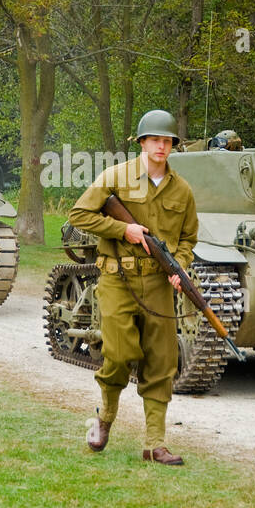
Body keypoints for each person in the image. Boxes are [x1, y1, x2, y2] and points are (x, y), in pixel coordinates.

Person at [68, 109, 198, 466]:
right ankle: (105, 419)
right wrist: (122, 229)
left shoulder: (182, 190)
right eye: (155, 139)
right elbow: (79, 215)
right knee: (120, 353)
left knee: (162, 361)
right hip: (118, 279)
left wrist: (179, 267)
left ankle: (155, 444)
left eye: (167, 141)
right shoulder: (116, 177)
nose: (161, 146)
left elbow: (188, 238)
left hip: (158, 284)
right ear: (142, 142)